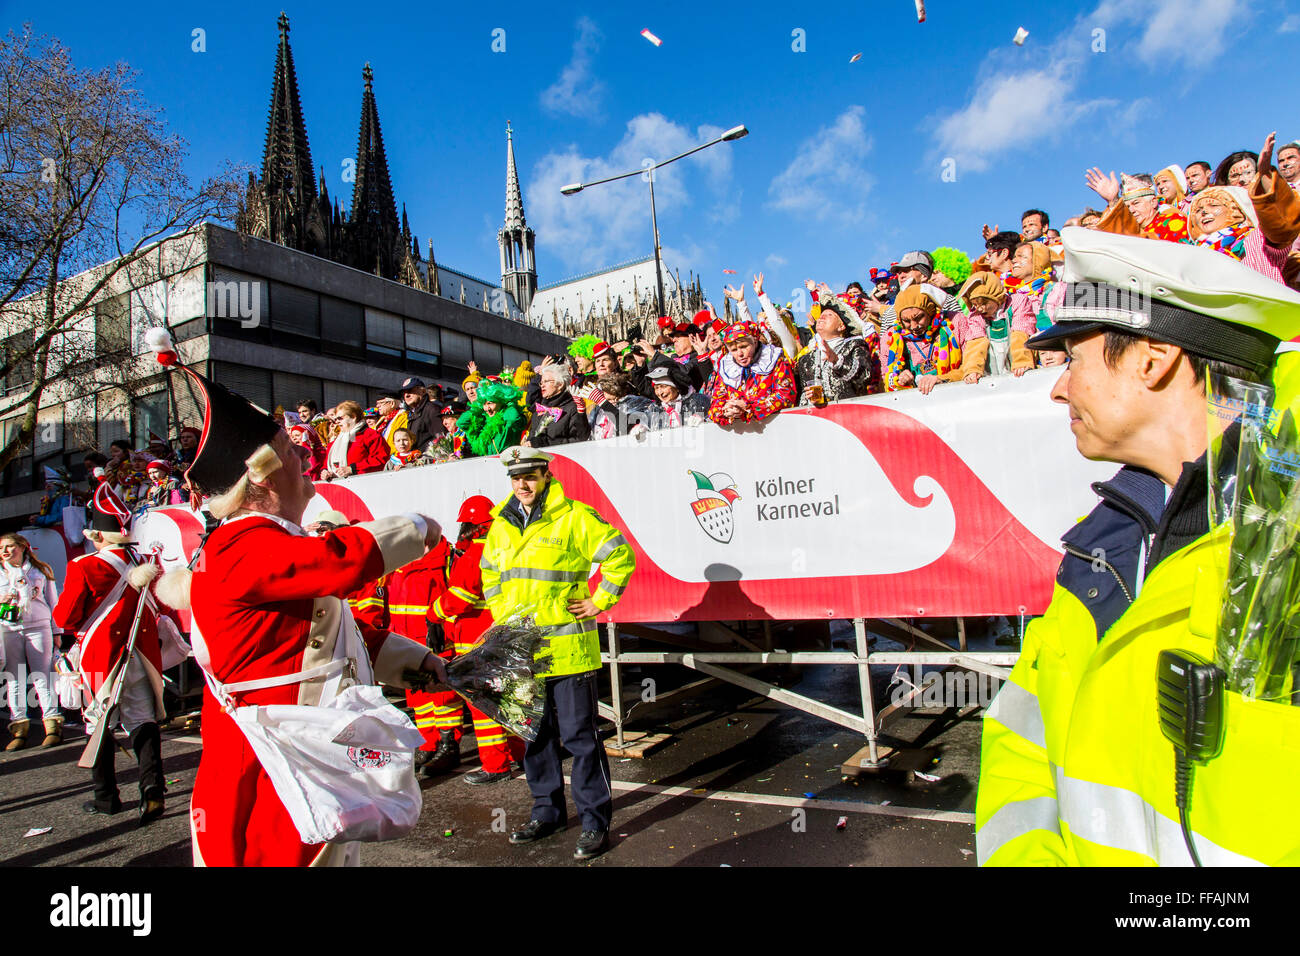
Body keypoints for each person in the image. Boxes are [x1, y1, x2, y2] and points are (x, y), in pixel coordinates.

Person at [975, 226, 1300, 866]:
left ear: (1152, 359)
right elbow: (1021, 743)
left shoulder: (1282, 545)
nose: (1058, 386)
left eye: (1074, 358)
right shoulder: (1098, 547)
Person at [144, 329, 447, 866]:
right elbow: (340, 562)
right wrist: (417, 526)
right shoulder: (243, 545)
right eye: (290, 449)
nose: (304, 455)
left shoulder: (266, 543)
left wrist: (416, 661)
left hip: (308, 753)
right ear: (261, 475)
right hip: (269, 766)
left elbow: (330, 634)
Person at [484, 447, 635, 861]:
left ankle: (594, 822)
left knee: (580, 739)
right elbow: (490, 575)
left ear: (545, 476)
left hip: (569, 650)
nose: (522, 485)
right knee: (535, 736)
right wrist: (503, 618)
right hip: (523, 653)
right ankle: (546, 812)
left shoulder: (575, 516)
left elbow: (620, 555)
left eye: (530, 476)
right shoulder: (501, 523)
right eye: (516, 479)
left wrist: (600, 600)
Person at [52, 485, 172, 822]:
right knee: (143, 723)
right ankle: (153, 790)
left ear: (96, 535)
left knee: (98, 723)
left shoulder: (84, 566)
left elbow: (66, 617)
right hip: (142, 653)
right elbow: (161, 606)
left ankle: (106, 797)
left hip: (100, 655)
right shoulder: (147, 561)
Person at [429, 495, 526, 784]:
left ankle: (496, 767)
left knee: (483, 705)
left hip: (475, 637)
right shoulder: (507, 545)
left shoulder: (477, 552)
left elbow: (463, 596)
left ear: (472, 526)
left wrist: (433, 613)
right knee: (507, 699)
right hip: (499, 634)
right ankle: (522, 755)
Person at [349, 531, 456, 773]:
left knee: (444, 700)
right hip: (405, 639)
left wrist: (440, 628)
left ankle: (449, 745)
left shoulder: (445, 560)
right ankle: (428, 743)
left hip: (432, 642)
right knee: (418, 699)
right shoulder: (397, 566)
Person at [1, 533, 61, 750]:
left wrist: (57, 631)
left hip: (39, 627)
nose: (5, 552)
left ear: (23, 547)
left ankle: (52, 725)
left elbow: (53, 601)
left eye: (10, 547)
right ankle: (19, 728)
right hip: (9, 629)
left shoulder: (41, 570)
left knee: (42, 675)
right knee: (14, 678)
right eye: (2, 548)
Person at [707, 321, 798, 425]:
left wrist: (748, 407)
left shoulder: (774, 359)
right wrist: (725, 411)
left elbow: (786, 395)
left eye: (744, 347)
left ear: (755, 342)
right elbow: (716, 402)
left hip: (774, 428)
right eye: (734, 350)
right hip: (740, 434)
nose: (740, 354)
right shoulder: (726, 368)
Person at [794, 295, 881, 404]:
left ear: (841, 326)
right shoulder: (805, 359)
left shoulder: (855, 345)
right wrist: (808, 399)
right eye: (821, 315)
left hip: (849, 414)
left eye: (829, 315)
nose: (821, 317)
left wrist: (837, 361)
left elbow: (864, 376)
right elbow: (800, 395)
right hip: (818, 418)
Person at [884, 285, 964, 393]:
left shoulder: (955, 322)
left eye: (918, 318)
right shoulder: (890, 338)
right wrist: (899, 380)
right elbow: (886, 379)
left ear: (930, 311)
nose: (914, 326)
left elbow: (970, 365)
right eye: (906, 321)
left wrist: (943, 379)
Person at [1084, 170, 1189, 243]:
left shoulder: (1173, 219)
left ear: (1153, 202)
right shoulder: (1135, 227)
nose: (1132, 210)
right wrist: (1113, 201)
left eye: (1136, 203)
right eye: (1127, 207)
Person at [457, 381, 527, 458]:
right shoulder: (485, 423)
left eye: (490, 403)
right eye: (484, 404)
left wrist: (508, 402)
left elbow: (512, 419)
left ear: (500, 401)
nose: (487, 409)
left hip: (510, 463)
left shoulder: (508, 418)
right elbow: (461, 423)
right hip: (492, 466)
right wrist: (477, 407)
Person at [528, 365, 590, 447]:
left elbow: (579, 440)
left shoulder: (572, 408)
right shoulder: (540, 409)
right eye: (541, 382)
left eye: (546, 381)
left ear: (560, 384)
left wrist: (545, 443)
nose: (542, 385)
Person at [324, 400, 389, 479]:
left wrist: (353, 469)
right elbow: (326, 463)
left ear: (353, 417)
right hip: (339, 487)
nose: (337, 422)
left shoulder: (370, 435)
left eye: (340, 418)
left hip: (365, 483)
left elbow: (381, 460)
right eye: (336, 419)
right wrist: (324, 471)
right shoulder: (335, 442)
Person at [400, 377, 445, 453]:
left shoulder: (431, 409)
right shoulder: (413, 412)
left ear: (423, 391)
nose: (406, 395)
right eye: (404, 392)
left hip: (428, 461)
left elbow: (441, 438)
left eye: (410, 391)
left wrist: (423, 455)